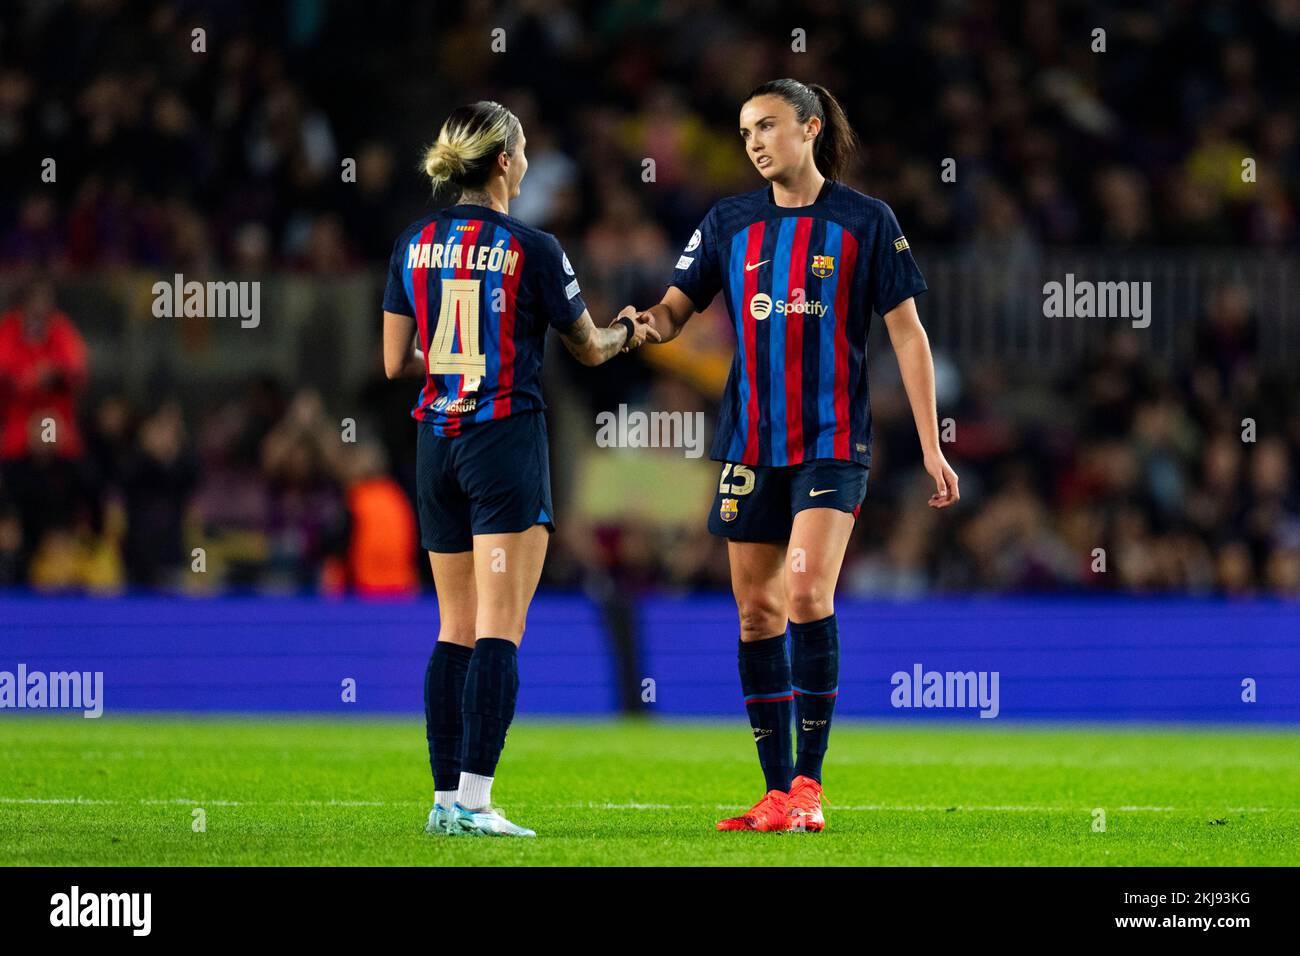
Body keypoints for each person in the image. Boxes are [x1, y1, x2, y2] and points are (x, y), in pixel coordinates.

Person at [633, 79, 960, 833]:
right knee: (756, 613)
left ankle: (810, 786)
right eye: (746, 129)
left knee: (808, 593)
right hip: (749, 442)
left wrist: (932, 443)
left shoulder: (864, 221)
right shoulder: (727, 222)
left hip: (831, 442)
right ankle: (776, 794)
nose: (753, 141)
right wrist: (637, 328)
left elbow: (908, 335)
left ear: (809, 129)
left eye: (769, 126)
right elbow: (675, 309)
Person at [382, 101, 657, 837]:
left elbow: (390, 360)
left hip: (436, 440)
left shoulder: (414, 243)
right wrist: (632, 330)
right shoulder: (534, 247)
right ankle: (475, 800)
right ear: (504, 160)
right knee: (501, 628)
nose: (530, 160)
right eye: (526, 148)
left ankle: (444, 802)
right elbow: (589, 348)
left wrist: (453, 362)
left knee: (454, 628)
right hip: (503, 441)